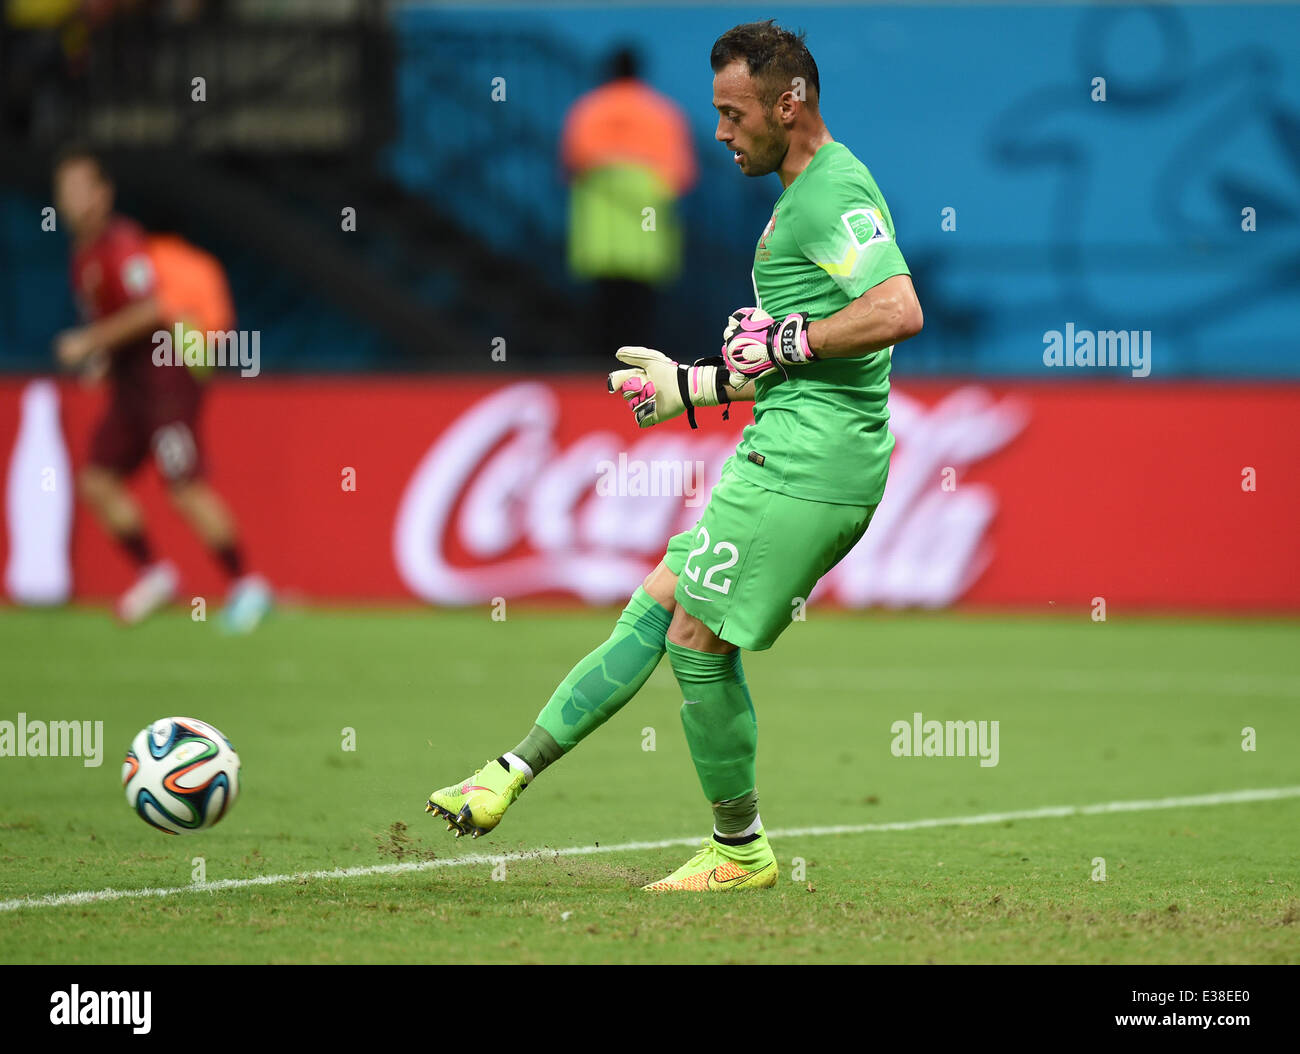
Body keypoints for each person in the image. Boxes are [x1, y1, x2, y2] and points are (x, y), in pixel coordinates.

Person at [427, 20, 923, 892]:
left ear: (789, 101)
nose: (721, 134)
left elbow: (895, 309)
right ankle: (507, 772)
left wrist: (791, 340)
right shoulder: (803, 194)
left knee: (697, 639)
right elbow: (786, 361)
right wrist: (692, 387)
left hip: (814, 467)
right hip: (790, 448)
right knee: (658, 605)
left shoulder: (828, 195)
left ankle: (740, 851)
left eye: (734, 115)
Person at [51, 148, 271, 631]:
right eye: (63, 189)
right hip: (131, 386)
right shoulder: (82, 255)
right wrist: (105, 360)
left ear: (104, 194)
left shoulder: (122, 244)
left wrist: (89, 342)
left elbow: (151, 310)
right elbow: (114, 321)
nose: (69, 199)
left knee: (184, 484)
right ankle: (155, 574)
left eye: (80, 187)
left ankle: (246, 584)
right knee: (97, 480)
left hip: (165, 377)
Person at [560, 44, 697, 354]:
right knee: (640, 312)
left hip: (600, 232)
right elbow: (682, 175)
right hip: (645, 230)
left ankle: (597, 378)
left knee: (601, 309)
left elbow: (571, 163)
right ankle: (641, 374)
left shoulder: (587, 110)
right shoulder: (663, 114)